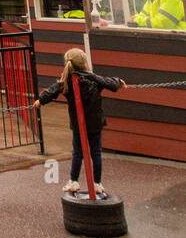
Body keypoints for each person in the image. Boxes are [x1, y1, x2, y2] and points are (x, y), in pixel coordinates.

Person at [35, 48, 125, 199]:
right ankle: (97, 183)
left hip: (79, 125)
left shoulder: (67, 81)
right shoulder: (93, 78)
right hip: (95, 123)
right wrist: (118, 81)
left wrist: (40, 101)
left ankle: (74, 181)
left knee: (78, 152)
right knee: (96, 152)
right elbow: (110, 84)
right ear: (84, 63)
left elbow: (52, 91)